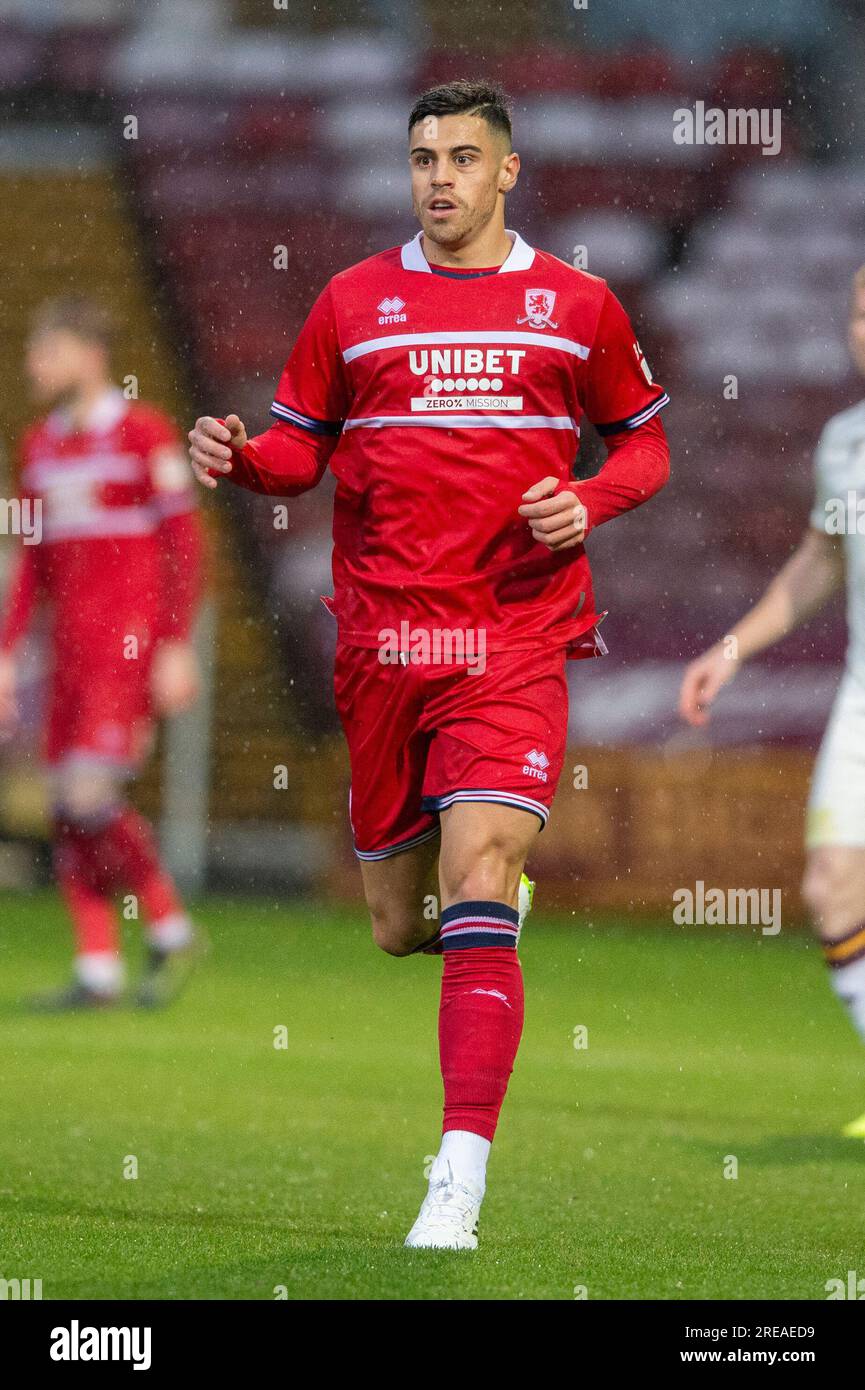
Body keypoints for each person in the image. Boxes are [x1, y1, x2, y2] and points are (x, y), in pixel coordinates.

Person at [188, 80, 670, 1247]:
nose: (439, 176)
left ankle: (455, 1178)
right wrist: (242, 460)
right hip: (386, 646)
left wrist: (589, 500)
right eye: (421, 158)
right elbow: (299, 454)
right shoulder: (353, 301)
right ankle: (482, 899)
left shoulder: (578, 304)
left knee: (478, 873)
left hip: (510, 641)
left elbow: (645, 441)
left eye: (462, 156)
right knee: (401, 926)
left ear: (508, 170)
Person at [679, 264, 865, 1138]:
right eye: (860, 312)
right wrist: (731, 649)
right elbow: (820, 560)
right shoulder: (844, 441)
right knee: (833, 890)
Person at [0, 296, 206, 1009]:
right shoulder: (39, 447)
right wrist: (6, 654)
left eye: (45, 350)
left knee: (90, 794)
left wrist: (174, 643)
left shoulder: (144, 433)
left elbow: (186, 545)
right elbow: (31, 562)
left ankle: (168, 919)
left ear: (89, 356)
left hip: (127, 646)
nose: (32, 364)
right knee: (62, 803)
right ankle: (97, 966)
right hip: (65, 655)